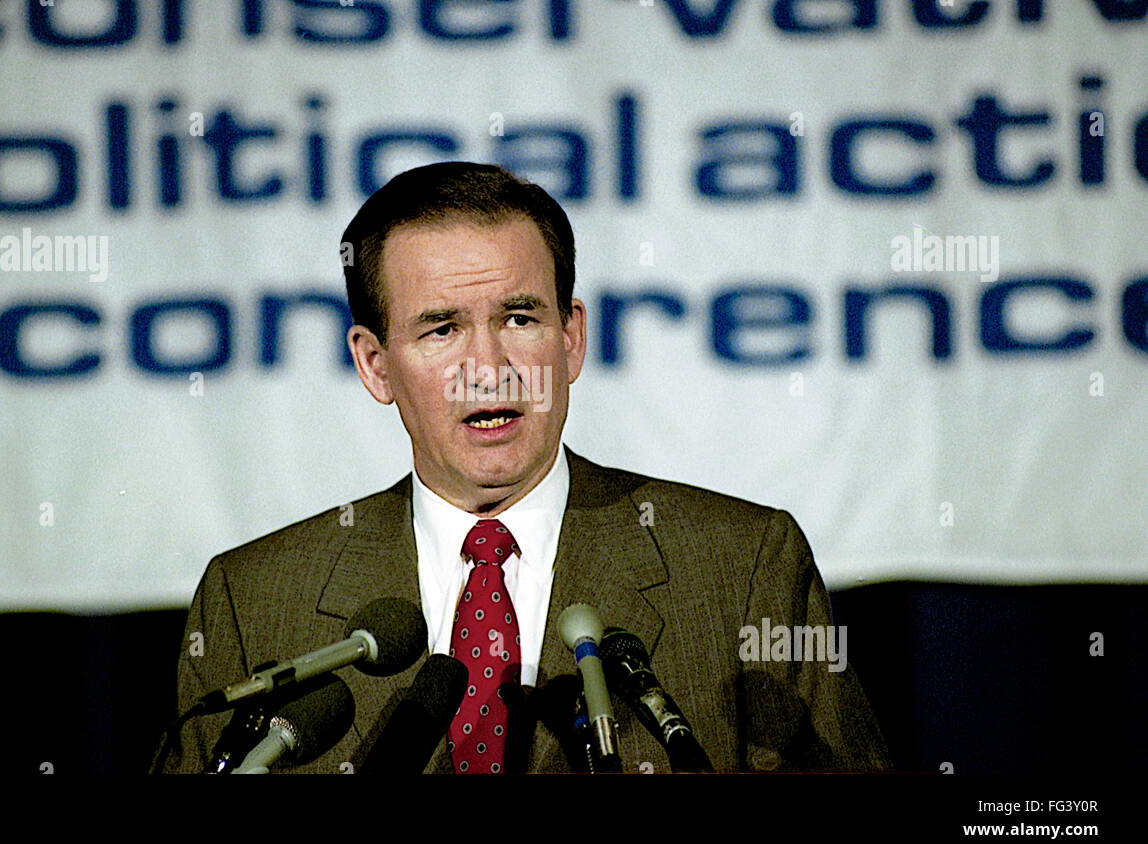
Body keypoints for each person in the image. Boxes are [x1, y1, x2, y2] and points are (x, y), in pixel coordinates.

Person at [156, 161, 891, 774]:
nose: (489, 368)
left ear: (571, 339)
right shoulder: (253, 604)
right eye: (442, 329)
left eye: (519, 319)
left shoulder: (740, 567)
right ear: (375, 365)